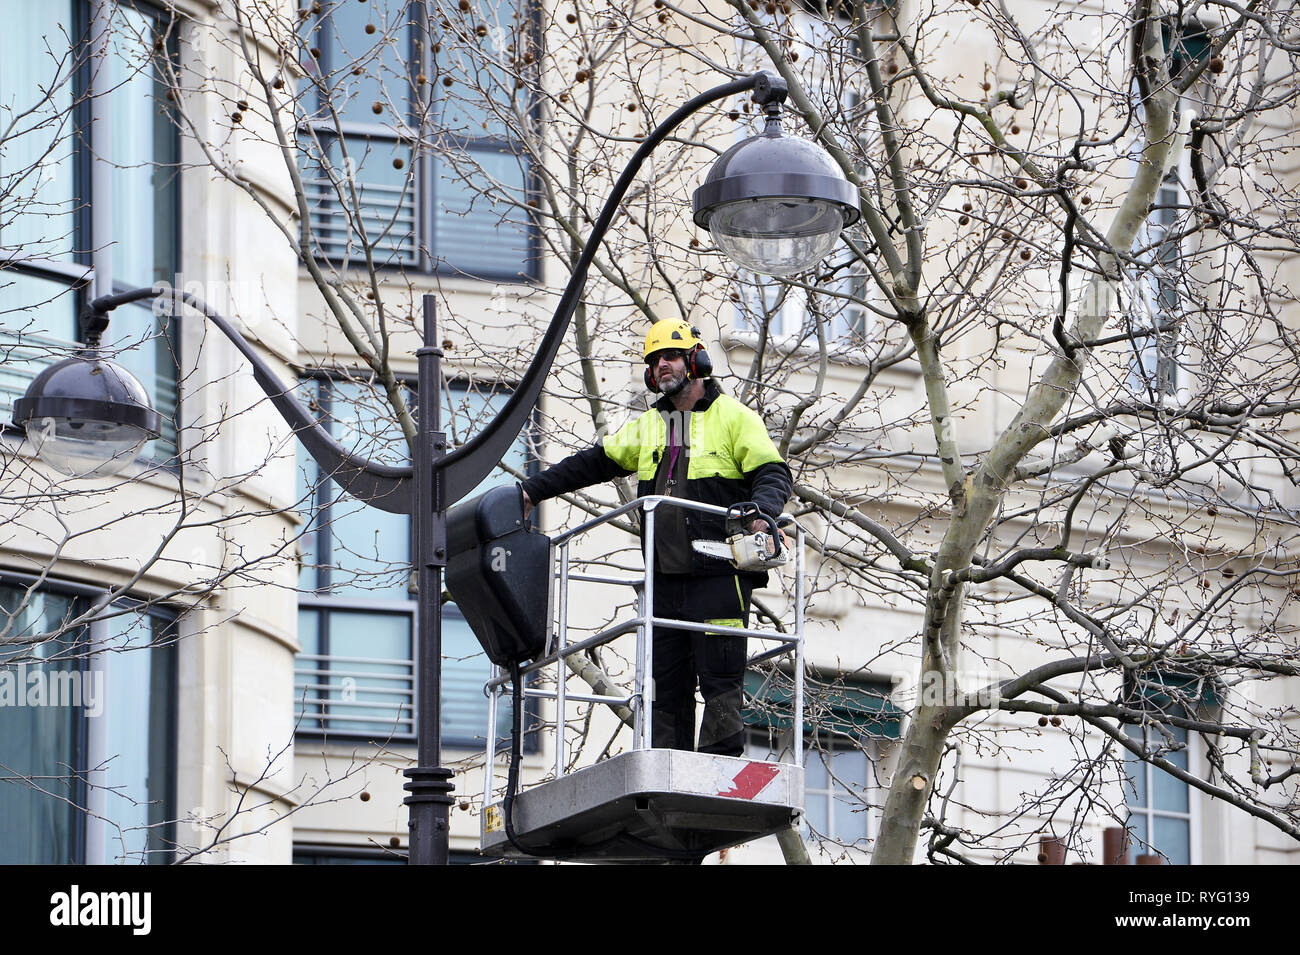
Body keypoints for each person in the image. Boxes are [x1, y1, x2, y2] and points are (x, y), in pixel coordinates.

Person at [519, 319, 792, 757]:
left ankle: (717, 775)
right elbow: (593, 462)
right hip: (664, 580)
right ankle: (669, 768)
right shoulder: (649, 425)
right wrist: (533, 490)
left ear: (695, 360)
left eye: (670, 356)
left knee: (721, 680)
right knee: (665, 685)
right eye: (654, 361)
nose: (662, 366)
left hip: (719, 577)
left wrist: (762, 514)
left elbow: (772, 472)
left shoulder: (735, 418)